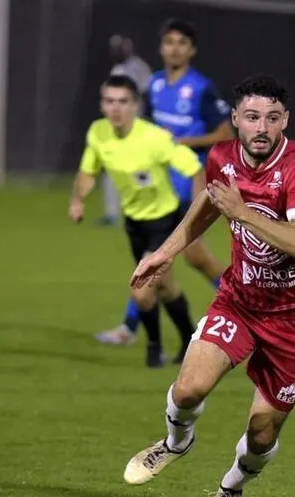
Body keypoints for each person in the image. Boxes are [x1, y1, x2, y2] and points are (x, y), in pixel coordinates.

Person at [121, 74, 295, 497]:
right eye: (252, 117)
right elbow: (206, 205)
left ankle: (231, 487)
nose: (262, 127)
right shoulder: (221, 157)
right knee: (188, 389)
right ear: (235, 119)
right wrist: (165, 253)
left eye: (273, 118)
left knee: (260, 432)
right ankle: (174, 444)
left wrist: (241, 212)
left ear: (285, 122)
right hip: (239, 301)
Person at [96, 18, 233, 348]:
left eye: (182, 43)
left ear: (192, 50)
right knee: (172, 257)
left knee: (166, 256)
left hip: (191, 182)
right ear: (161, 48)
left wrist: (181, 143)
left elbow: (225, 133)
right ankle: (246, 308)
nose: (174, 48)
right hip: (160, 186)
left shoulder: (201, 87)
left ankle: (131, 326)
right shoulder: (154, 85)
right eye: (169, 42)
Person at [68, 75, 203, 368]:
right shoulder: (98, 133)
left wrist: (195, 214)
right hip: (134, 224)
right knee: (166, 288)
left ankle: (154, 349)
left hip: (164, 222)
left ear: (135, 105)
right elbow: (88, 171)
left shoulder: (154, 138)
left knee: (141, 289)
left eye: (123, 101)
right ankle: (190, 341)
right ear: (102, 104)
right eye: (109, 101)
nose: (116, 108)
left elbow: (195, 170)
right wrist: (78, 200)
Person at [99, 34, 152, 226]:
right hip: (120, 125)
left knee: (139, 165)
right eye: (114, 48)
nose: (117, 51)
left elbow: (148, 91)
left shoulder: (135, 67)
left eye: (119, 48)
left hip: (134, 124)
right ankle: (114, 213)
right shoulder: (124, 68)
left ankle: (144, 208)